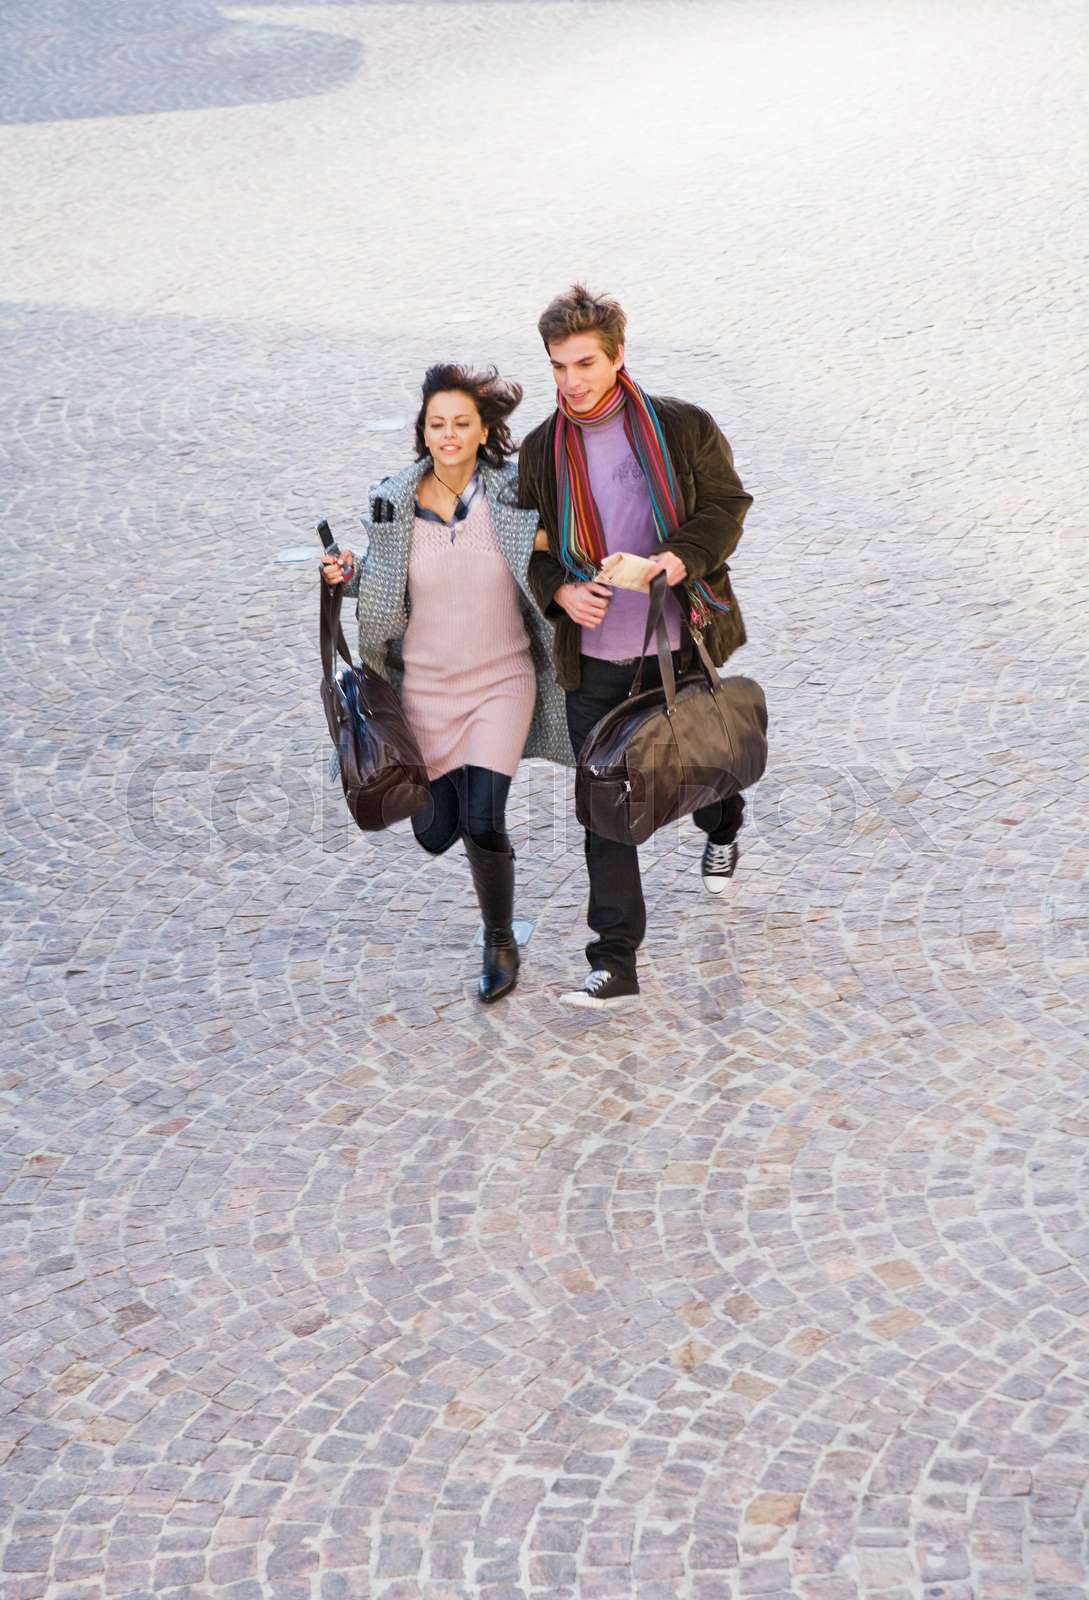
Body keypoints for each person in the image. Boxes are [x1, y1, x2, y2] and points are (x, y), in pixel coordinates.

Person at [519, 285, 753, 1010]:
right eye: (558, 367)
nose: (571, 382)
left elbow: (725, 508)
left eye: (584, 363)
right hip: (591, 659)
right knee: (604, 807)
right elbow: (525, 550)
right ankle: (614, 960)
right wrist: (559, 590)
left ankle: (725, 823)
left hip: (679, 641)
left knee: (704, 766)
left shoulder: (681, 428)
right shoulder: (539, 452)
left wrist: (666, 564)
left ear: (618, 356)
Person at [322, 364, 573, 1003]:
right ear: (423, 431)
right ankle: (452, 790)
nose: (449, 434)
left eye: (462, 423)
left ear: (485, 429)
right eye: (438, 424)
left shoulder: (514, 496)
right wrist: (347, 573)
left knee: (485, 821)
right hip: (425, 691)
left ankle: (499, 940)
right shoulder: (394, 502)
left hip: (501, 681)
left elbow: (562, 550)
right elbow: (381, 582)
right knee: (436, 834)